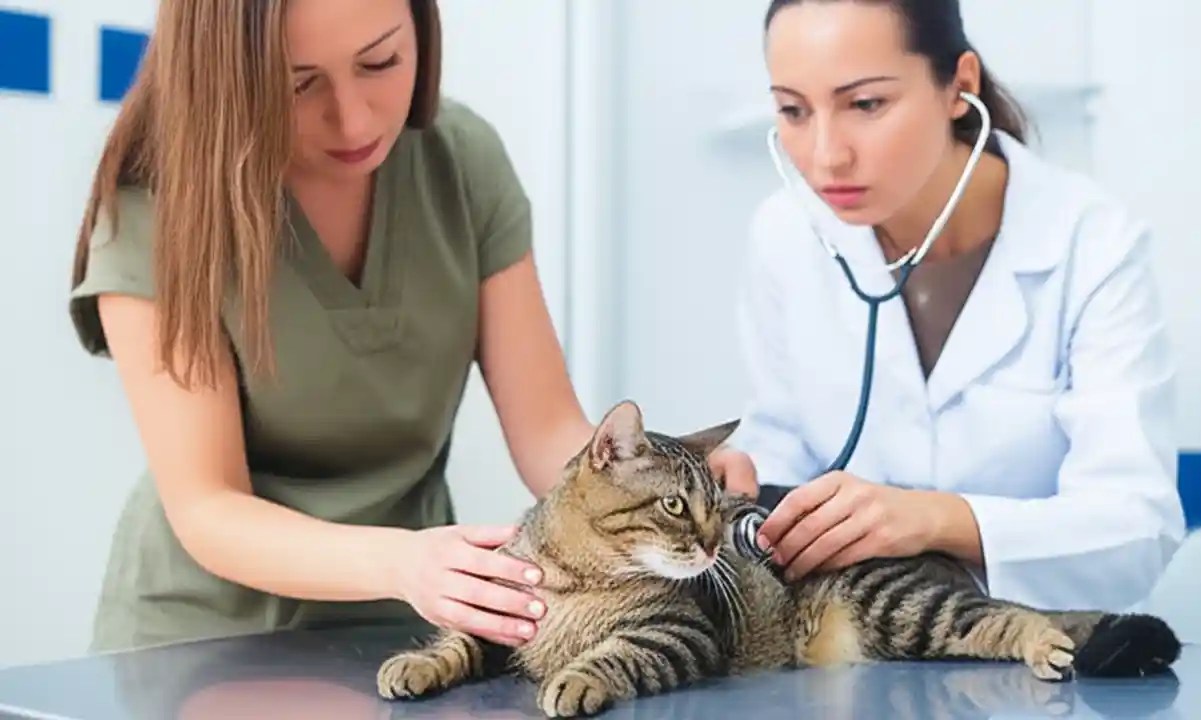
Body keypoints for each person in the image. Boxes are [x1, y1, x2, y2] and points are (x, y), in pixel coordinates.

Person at [67, 0, 757, 654]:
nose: (355, 118)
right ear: (226, 77)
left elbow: (550, 434)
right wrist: (401, 560)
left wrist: (665, 486)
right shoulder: (156, 208)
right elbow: (209, 508)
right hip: (201, 644)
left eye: (380, 62)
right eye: (297, 84)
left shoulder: (459, 160)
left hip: (406, 627)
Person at [730, 0, 1185, 613]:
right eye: (793, 110)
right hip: (858, 643)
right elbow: (782, 444)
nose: (826, 155)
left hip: (1042, 661)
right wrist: (740, 483)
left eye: (866, 105)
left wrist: (936, 520)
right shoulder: (784, 234)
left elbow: (1135, 531)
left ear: (959, 86)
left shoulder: (1091, 243)